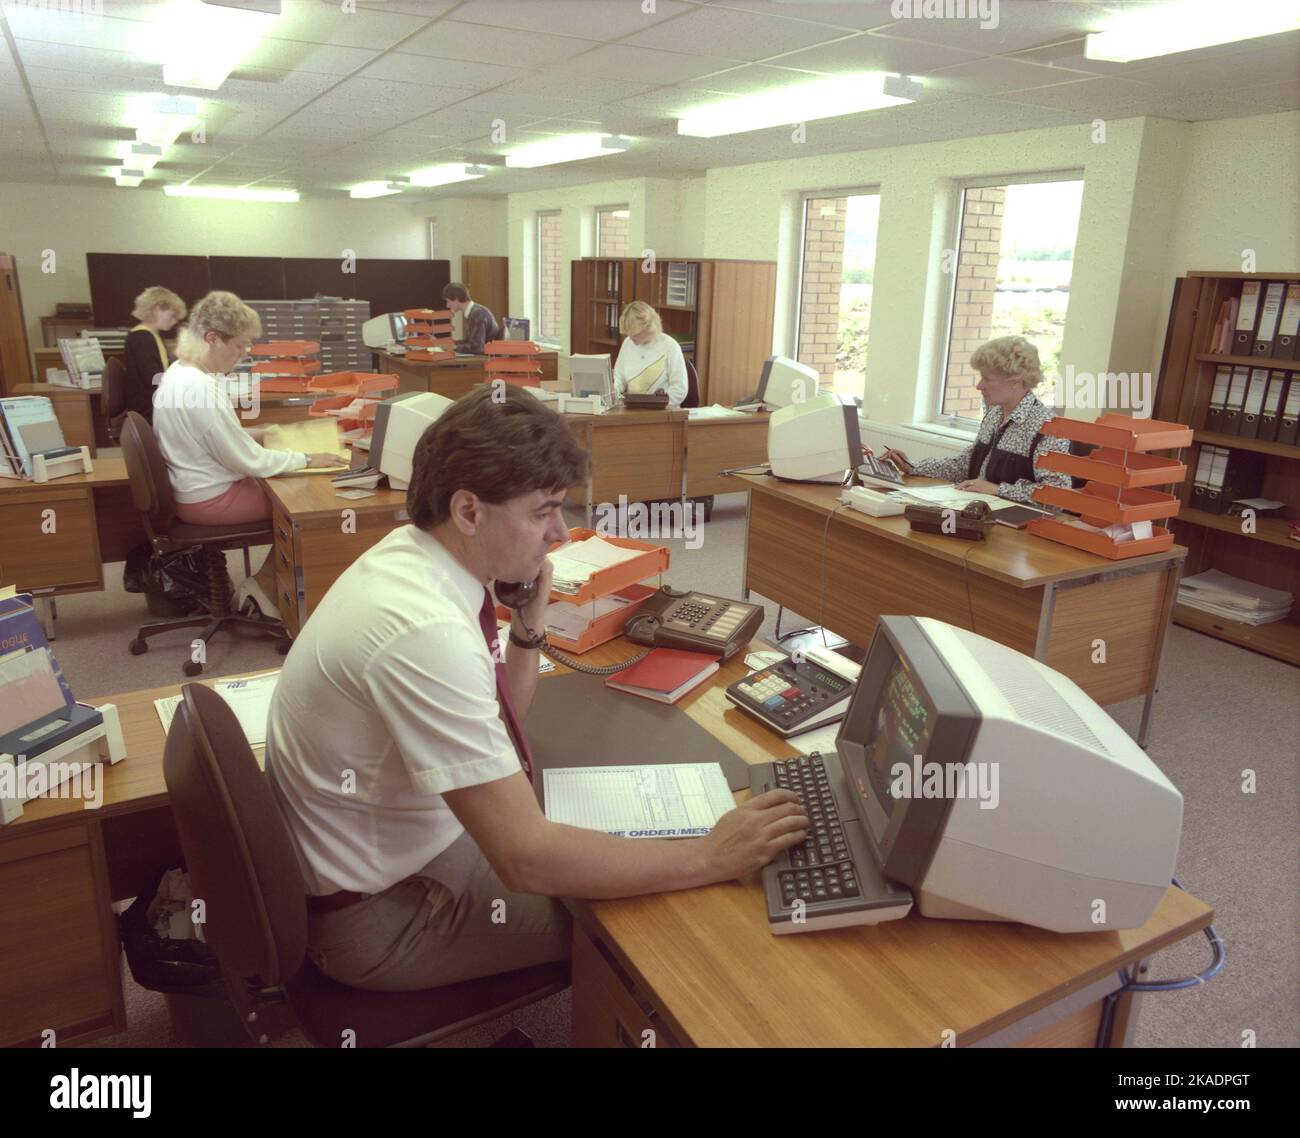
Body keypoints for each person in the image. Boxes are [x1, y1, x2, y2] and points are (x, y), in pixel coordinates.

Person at [263, 385, 807, 992]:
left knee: (630, 852)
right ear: (469, 511)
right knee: (672, 920)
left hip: (409, 850)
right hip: (388, 917)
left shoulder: (412, 558)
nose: (562, 535)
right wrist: (710, 857)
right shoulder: (423, 632)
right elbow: (524, 857)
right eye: (544, 511)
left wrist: (527, 626)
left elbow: (504, 717)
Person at [151, 291, 339, 618]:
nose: (243, 354)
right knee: (315, 503)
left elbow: (210, 438)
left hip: (196, 489)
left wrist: (259, 433)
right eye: (239, 345)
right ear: (212, 338)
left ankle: (267, 585)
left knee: (296, 490)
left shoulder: (180, 373)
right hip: (211, 498)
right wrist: (308, 459)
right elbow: (247, 461)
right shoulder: (199, 388)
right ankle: (266, 591)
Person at [869, 336, 1070, 503]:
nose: (979, 386)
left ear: (1015, 382)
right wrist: (913, 466)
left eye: (987, 379)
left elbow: (1057, 496)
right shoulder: (994, 414)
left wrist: (997, 489)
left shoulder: (1048, 428)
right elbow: (965, 466)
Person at [123, 286, 186, 423]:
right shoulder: (142, 338)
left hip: (154, 402)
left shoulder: (151, 335)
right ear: (158, 308)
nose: (175, 321)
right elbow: (154, 378)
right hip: (148, 408)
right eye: (173, 315)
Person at [613, 300, 689, 407]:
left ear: (649, 328)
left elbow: (680, 389)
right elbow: (619, 378)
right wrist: (614, 393)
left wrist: (655, 404)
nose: (631, 338)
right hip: (631, 410)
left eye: (636, 334)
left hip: (662, 412)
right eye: (629, 334)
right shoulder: (627, 343)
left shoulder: (670, 346)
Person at [442, 282, 501, 355]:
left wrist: (454, 347)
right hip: (486, 357)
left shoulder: (477, 314)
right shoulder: (474, 311)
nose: (447, 305)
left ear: (456, 299)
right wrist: (452, 343)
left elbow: (478, 348)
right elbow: (471, 342)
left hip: (486, 360)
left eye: (448, 301)